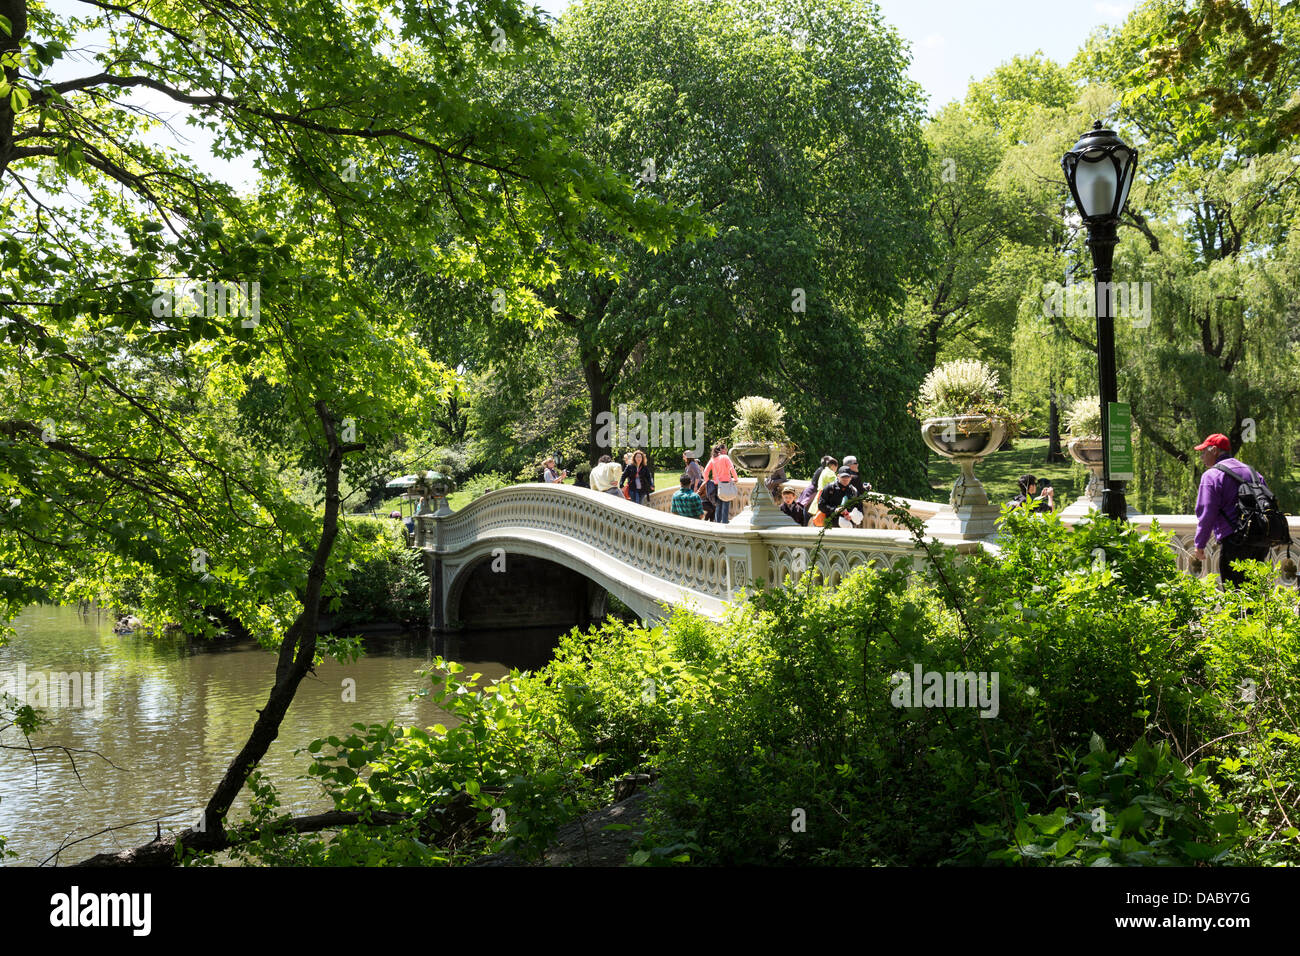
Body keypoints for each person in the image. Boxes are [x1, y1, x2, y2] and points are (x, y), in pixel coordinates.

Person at [1193, 433, 1273, 588]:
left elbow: (1207, 512)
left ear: (1214, 450)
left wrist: (1200, 544)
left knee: (1235, 595)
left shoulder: (1211, 476)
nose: (1201, 456)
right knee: (1254, 592)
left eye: (1204, 451)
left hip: (1234, 542)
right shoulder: (1253, 473)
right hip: (1260, 541)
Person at [701, 443, 738, 524]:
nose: (726, 451)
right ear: (722, 450)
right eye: (726, 449)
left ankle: (718, 523)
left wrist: (707, 481)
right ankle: (724, 523)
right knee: (726, 504)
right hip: (726, 484)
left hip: (716, 485)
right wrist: (736, 479)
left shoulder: (713, 459)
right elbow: (732, 468)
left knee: (718, 505)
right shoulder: (725, 457)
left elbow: (705, 472)